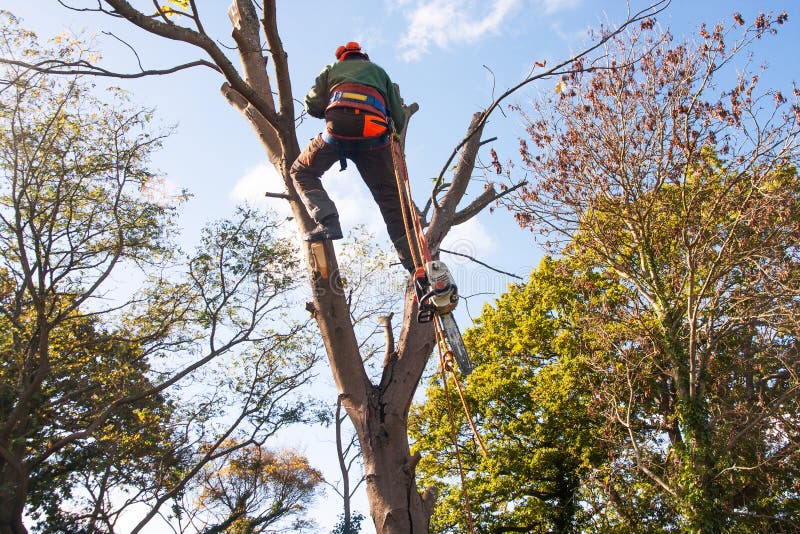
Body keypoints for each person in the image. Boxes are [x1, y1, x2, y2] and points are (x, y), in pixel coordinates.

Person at [290, 41, 415, 274]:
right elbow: (398, 116)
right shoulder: (380, 72)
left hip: (338, 127)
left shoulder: (331, 69)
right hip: (374, 134)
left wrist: (326, 110)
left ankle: (328, 221)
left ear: (342, 57)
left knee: (301, 171)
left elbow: (312, 103)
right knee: (390, 200)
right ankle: (413, 262)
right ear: (363, 57)